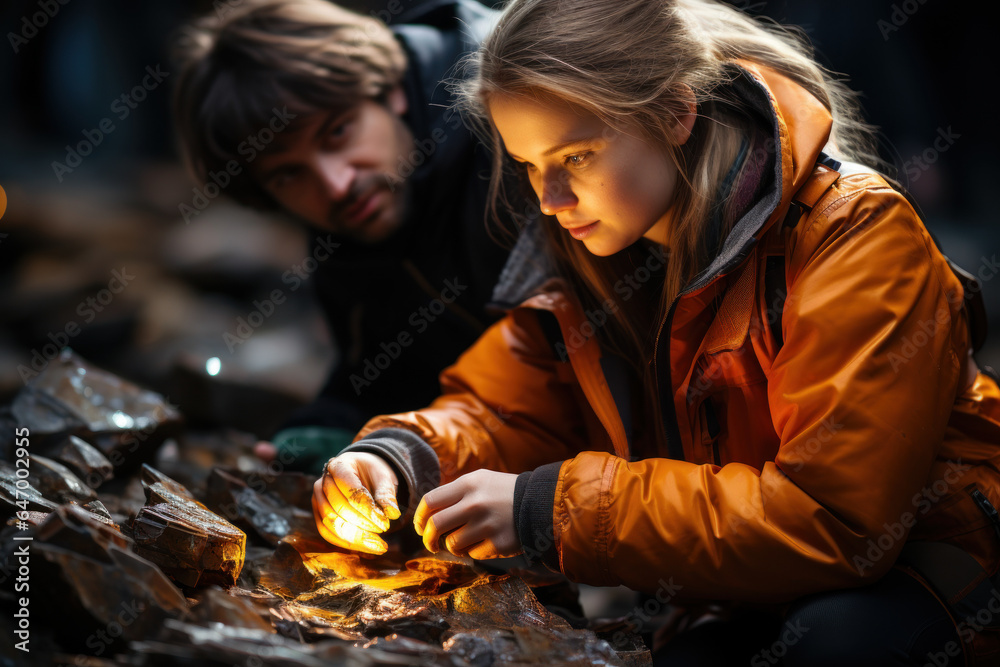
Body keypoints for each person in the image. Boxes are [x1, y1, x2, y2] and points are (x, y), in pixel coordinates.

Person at [311, 0, 1000, 664]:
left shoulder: (856, 236)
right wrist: (398, 456)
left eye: (575, 156)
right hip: (745, 589)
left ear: (675, 113)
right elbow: (502, 406)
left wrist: (550, 510)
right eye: (529, 166)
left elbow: (834, 520)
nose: (550, 202)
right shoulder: (603, 258)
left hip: (934, 567)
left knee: (836, 644)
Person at [172, 0, 512, 472]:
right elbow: (385, 370)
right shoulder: (349, 232)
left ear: (388, 89)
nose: (335, 184)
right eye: (289, 175)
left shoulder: (523, 118)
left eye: (337, 132)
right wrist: (335, 424)